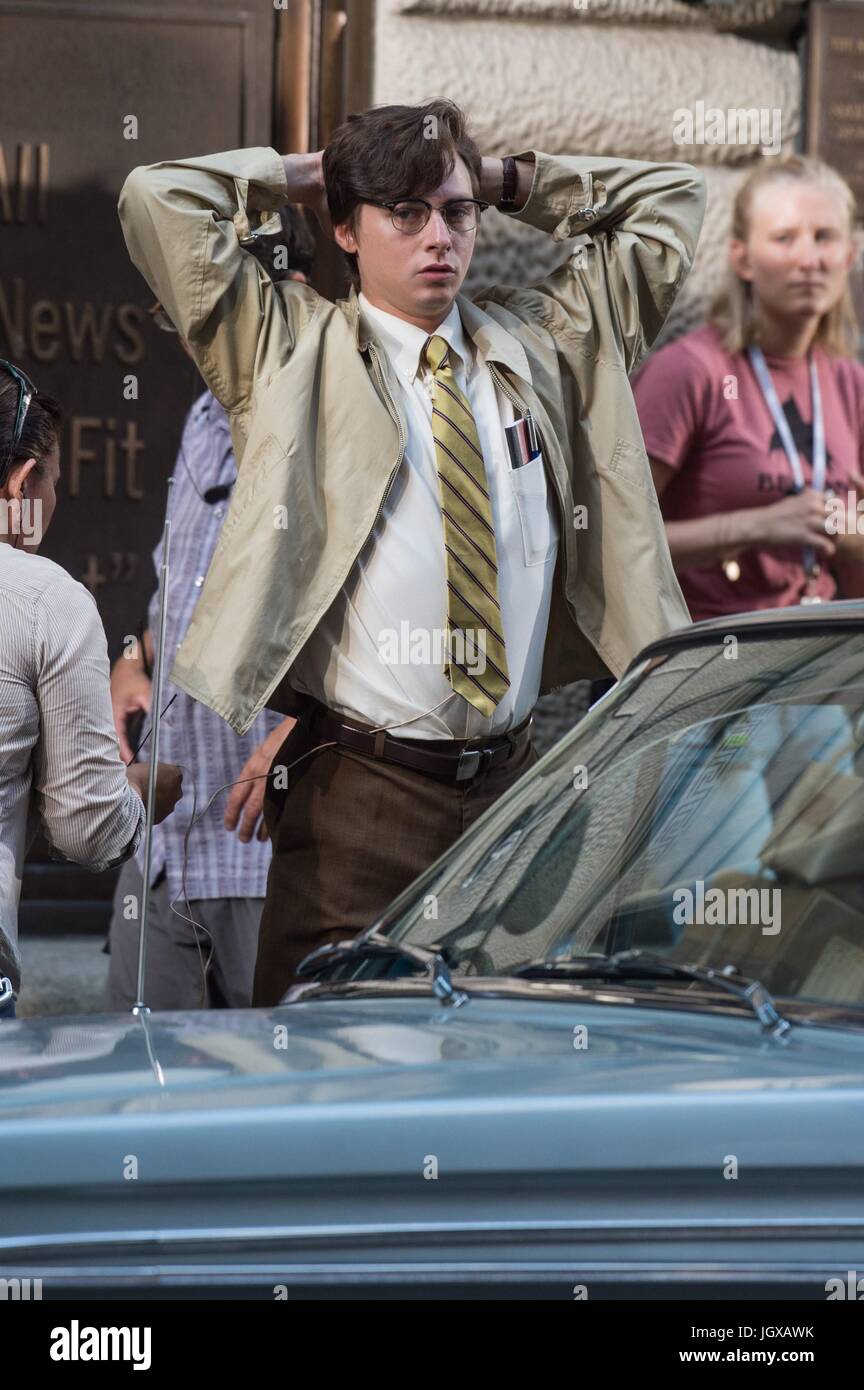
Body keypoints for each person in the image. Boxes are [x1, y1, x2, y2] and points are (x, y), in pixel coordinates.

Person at [118, 96, 705, 1006]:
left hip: (513, 787)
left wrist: (511, 180)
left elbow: (671, 202)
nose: (440, 236)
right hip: (361, 792)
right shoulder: (289, 347)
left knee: (490, 1073)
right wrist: (312, 175)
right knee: (325, 1080)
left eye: (456, 212)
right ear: (347, 232)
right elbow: (157, 198)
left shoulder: (546, 345)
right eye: (405, 212)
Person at [104, 208, 314, 1011]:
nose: (192, 336)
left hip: (261, 860)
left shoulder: (336, 432)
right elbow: (174, 596)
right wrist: (134, 661)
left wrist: (302, 735)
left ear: (286, 294)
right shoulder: (200, 420)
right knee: (135, 1103)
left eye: (214, 311)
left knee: (271, 1126)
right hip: (159, 856)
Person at [0, 361, 182, 1020]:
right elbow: (89, 831)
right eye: (53, 483)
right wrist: (139, 795)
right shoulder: (47, 598)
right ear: (23, 480)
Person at [632, 153, 864, 623]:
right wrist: (755, 526)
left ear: (850, 255)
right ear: (743, 258)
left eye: (825, 238)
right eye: (784, 239)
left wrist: (836, 527)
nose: (809, 259)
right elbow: (615, 541)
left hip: (815, 661)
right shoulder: (690, 371)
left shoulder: (851, 382)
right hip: (697, 660)